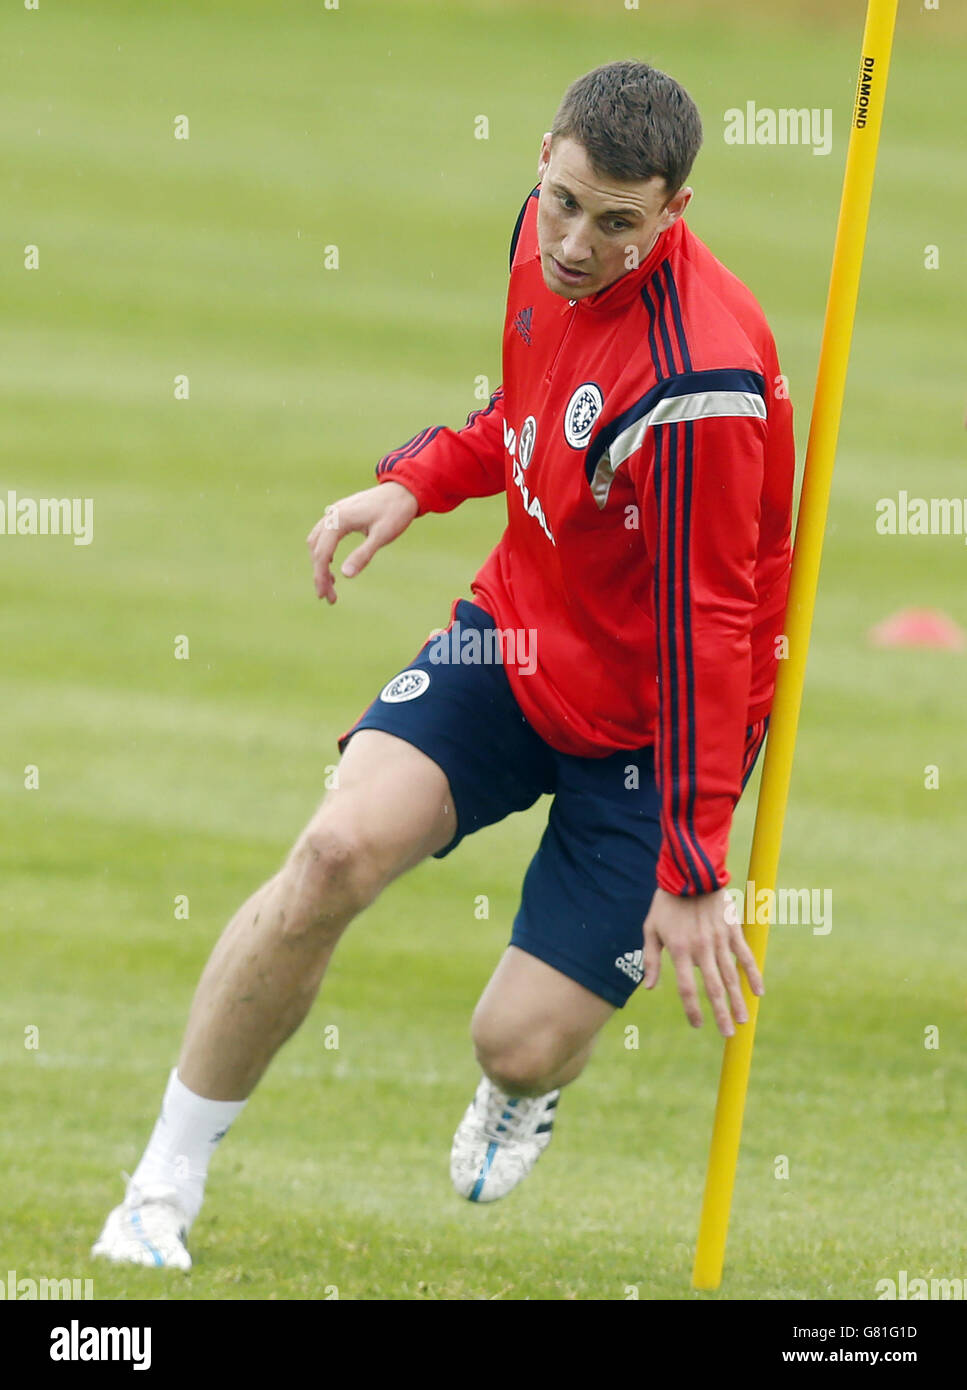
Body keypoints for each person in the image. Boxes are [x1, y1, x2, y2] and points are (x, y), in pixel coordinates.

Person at [93, 59, 794, 1270]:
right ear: (544, 158)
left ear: (675, 213)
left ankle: (529, 1085)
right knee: (329, 852)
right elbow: (523, 416)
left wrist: (694, 861)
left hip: (654, 724)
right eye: (566, 200)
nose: (576, 242)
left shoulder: (699, 383)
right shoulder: (539, 233)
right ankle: (161, 1184)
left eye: (617, 222)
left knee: (513, 1041)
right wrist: (416, 478)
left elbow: (708, 624)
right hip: (519, 637)